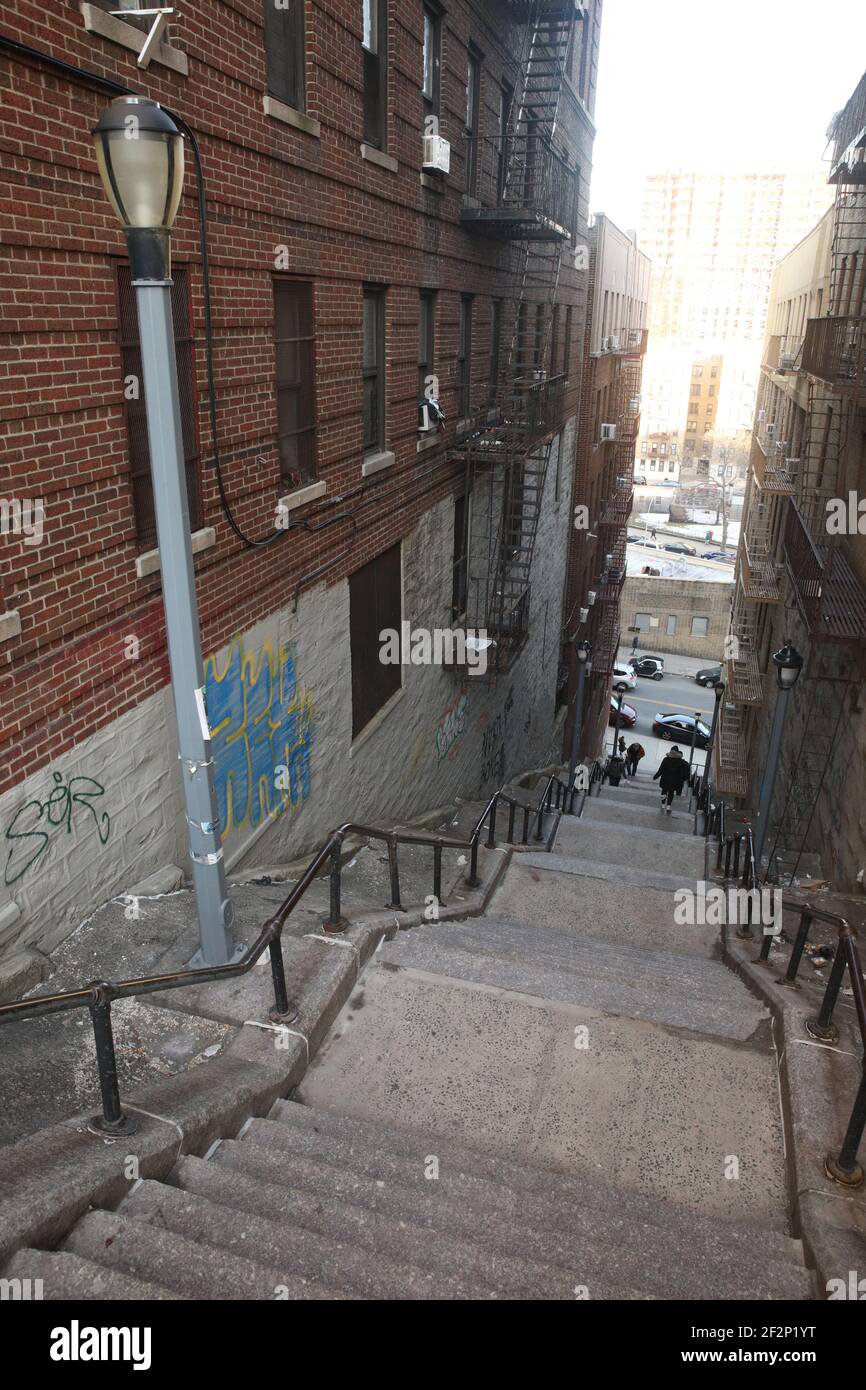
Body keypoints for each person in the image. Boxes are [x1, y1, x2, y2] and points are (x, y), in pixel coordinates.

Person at [652, 745, 689, 812]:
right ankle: (668, 806)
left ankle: (663, 804)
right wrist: (682, 780)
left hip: (665, 779)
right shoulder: (680, 761)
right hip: (674, 781)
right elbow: (682, 772)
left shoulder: (666, 759)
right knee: (671, 793)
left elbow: (661, 769)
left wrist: (656, 776)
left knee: (664, 792)